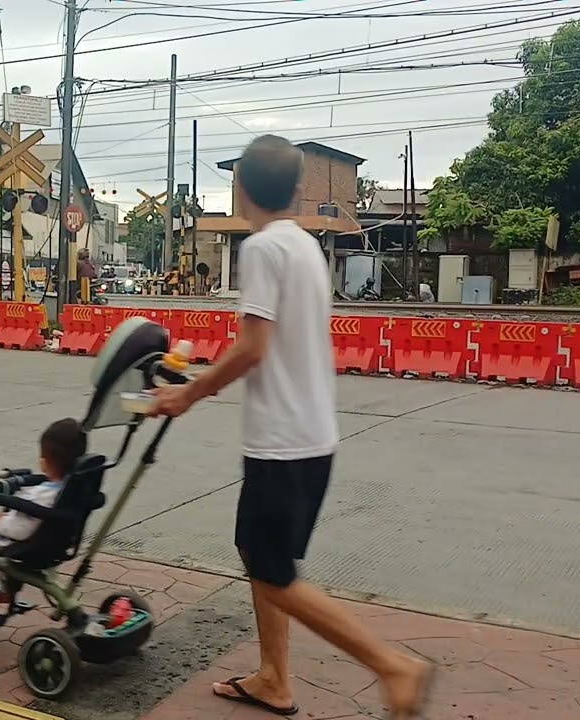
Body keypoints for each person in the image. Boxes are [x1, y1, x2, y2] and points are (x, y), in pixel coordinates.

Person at [150, 135, 435, 719]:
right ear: (300, 190)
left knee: (272, 570)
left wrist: (189, 395)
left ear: (241, 189)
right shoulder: (307, 247)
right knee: (262, 556)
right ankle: (274, 677)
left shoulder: (261, 250)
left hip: (281, 442)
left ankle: (392, 666)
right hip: (313, 437)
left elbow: (253, 346)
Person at [0, 418, 87, 601]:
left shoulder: (43, 497)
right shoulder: (70, 490)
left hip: (25, 543)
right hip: (54, 542)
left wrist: (0, 521)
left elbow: (20, 528)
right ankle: (7, 588)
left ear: (44, 462)